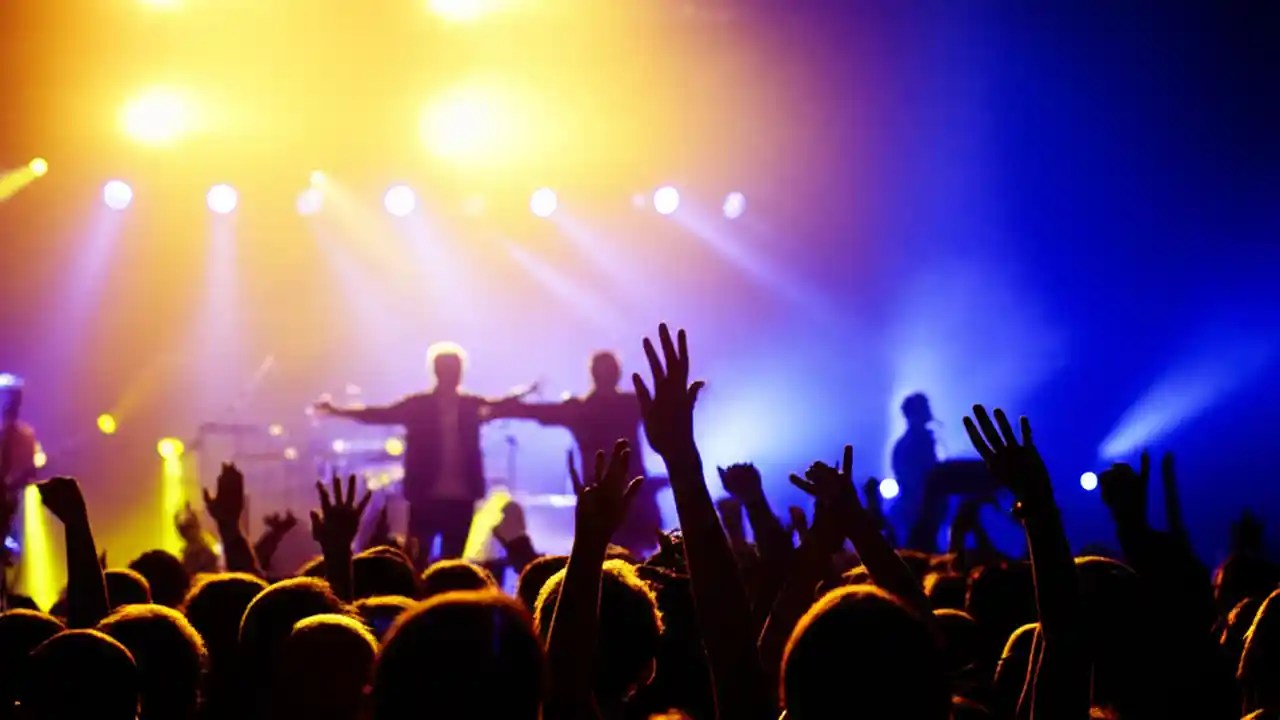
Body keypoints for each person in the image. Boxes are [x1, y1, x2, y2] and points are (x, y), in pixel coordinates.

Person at [316, 342, 530, 562]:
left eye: (456, 369)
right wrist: (338, 411)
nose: (454, 374)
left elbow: (500, 405)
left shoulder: (469, 405)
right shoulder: (420, 406)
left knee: (451, 561)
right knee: (417, 559)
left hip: (461, 495)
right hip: (426, 494)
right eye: (450, 369)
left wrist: (523, 393)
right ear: (437, 371)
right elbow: (380, 415)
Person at [498, 351, 663, 556]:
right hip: (624, 495)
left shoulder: (586, 408)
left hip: (608, 496)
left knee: (605, 556)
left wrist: (499, 408)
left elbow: (535, 412)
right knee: (630, 556)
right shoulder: (627, 404)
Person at [893, 393, 940, 550]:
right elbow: (910, 480)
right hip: (917, 511)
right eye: (925, 407)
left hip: (926, 510)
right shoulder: (908, 445)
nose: (929, 411)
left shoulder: (921, 441)